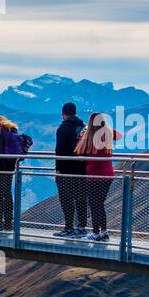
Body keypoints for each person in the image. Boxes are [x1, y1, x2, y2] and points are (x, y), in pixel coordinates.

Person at [75, 112, 118, 242]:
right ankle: (104, 231)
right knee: (99, 204)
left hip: (95, 175)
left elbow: (79, 152)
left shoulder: (90, 136)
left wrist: (82, 134)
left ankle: (95, 233)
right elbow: (116, 134)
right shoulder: (108, 134)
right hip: (108, 174)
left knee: (94, 204)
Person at [53, 102, 88, 237]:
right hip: (82, 169)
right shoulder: (83, 127)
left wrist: (58, 169)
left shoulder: (63, 128)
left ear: (63, 113)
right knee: (80, 198)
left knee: (66, 199)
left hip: (66, 169)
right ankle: (81, 228)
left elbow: (60, 151)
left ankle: (68, 228)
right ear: (75, 112)